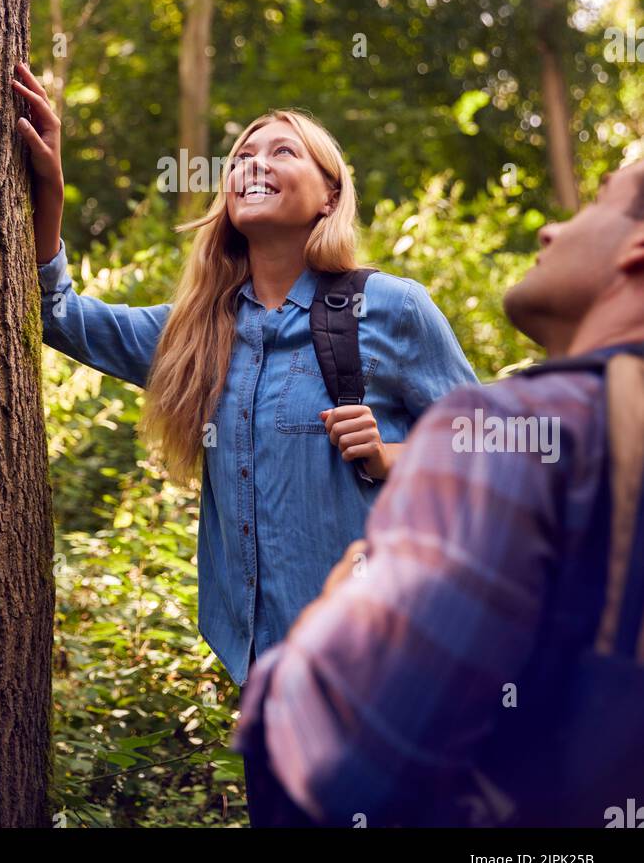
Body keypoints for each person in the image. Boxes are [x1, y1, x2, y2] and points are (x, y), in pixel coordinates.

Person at [11, 62, 475, 818]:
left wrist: (390, 455)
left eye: (283, 151)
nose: (256, 163)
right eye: (243, 158)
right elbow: (58, 314)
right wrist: (51, 187)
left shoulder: (391, 309)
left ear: (329, 194)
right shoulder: (196, 333)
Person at [233, 158, 644, 826]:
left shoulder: (504, 432)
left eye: (594, 202)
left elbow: (342, 760)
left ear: (636, 250)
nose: (550, 230)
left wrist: (326, 616)